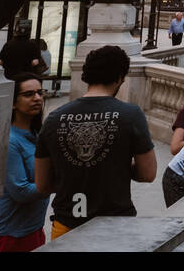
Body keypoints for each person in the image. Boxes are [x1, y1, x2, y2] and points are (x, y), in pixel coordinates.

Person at [35, 45, 156, 239]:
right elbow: (148, 173)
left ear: (87, 76)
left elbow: (42, 185)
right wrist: (116, 166)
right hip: (116, 228)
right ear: (119, 78)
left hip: (66, 226)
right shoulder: (131, 115)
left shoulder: (53, 118)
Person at [0, 75, 50, 251]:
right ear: (12, 102)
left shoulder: (37, 135)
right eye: (28, 94)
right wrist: (58, 183)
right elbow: (21, 191)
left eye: (40, 92)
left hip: (30, 229)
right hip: (8, 235)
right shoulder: (9, 140)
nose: (37, 98)